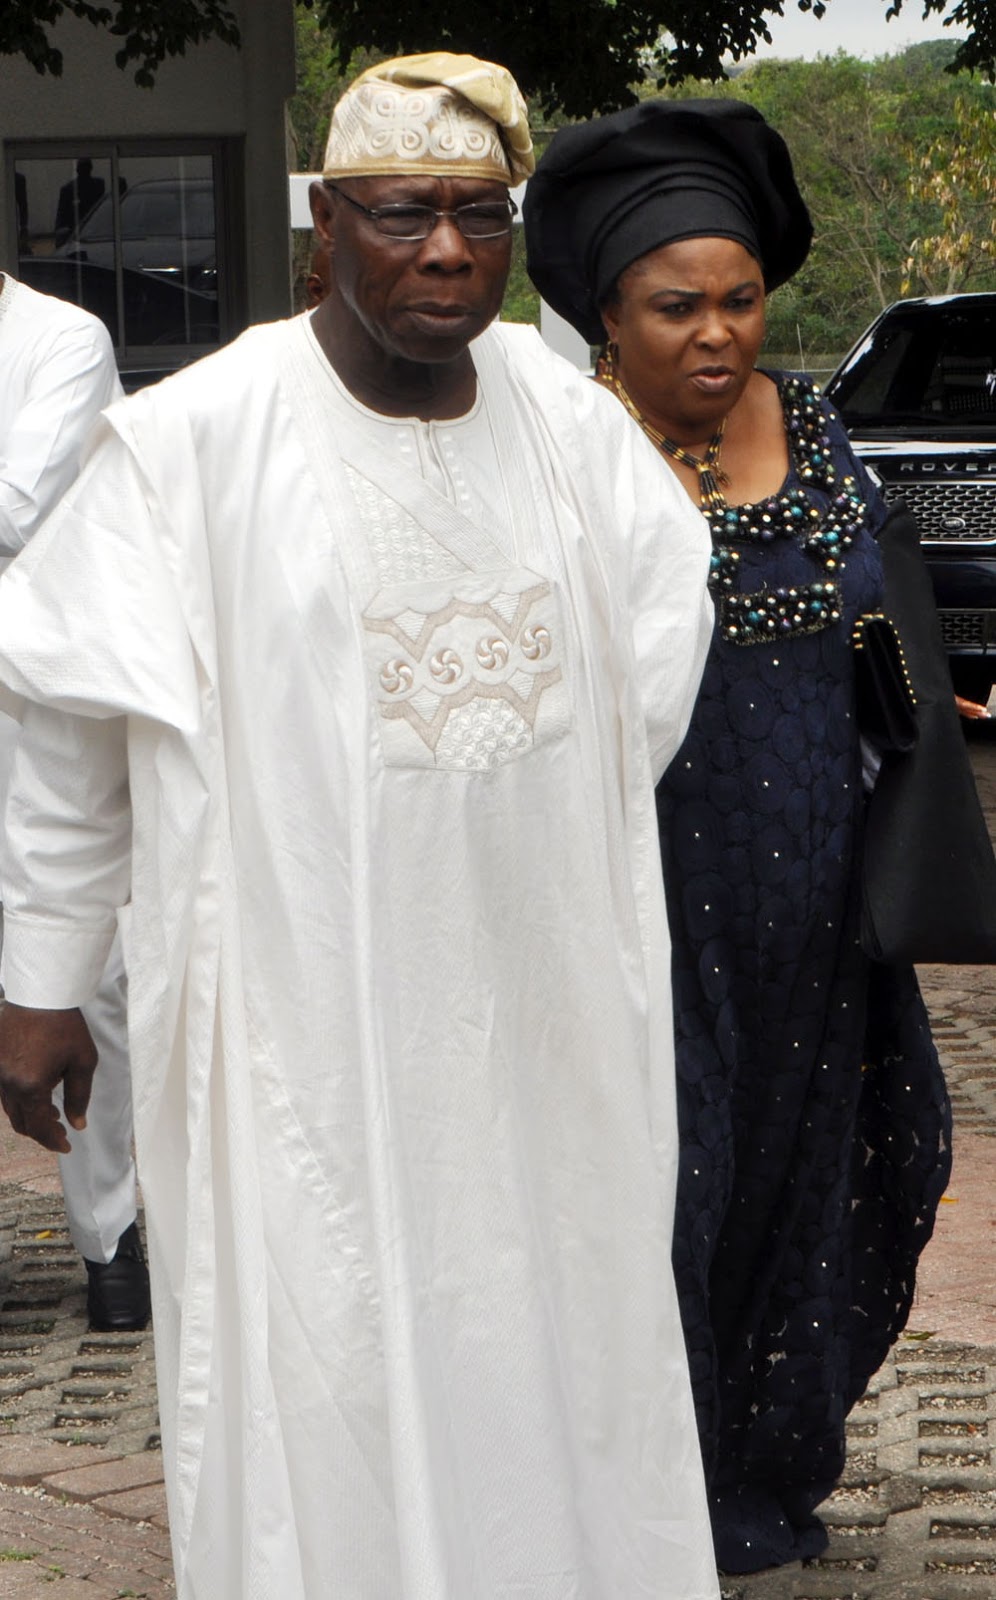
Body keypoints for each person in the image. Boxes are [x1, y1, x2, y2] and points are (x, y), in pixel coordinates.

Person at [0, 56, 721, 1599]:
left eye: (480, 216)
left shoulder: (569, 422)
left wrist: (528, 821)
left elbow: (657, 647)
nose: (447, 251)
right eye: (404, 215)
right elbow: (70, 724)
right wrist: (43, 977)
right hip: (299, 1017)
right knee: (322, 1343)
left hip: (544, 1017)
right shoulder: (193, 444)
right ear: (327, 223)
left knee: (562, 1326)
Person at [524, 98, 952, 1576]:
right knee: (671, 1189)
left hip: (823, 897)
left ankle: (758, 1474)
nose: (717, 333)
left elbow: (874, 606)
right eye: (675, 306)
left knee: (814, 1174)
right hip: (647, 896)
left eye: (741, 298)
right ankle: (644, 1492)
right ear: (604, 312)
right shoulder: (562, 456)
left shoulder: (817, 426)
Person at [0, 270, 150, 1333]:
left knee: (82, 974)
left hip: (33, 701)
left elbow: (20, 511)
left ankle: (112, 1235)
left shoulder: (62, 339)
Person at [54, 158, 106, 245]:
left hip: (95, 233)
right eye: (83, 168)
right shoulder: (69, 190)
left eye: (86, 168)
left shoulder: (98, 186)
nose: (84, 172)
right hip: (75, 234)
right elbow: (61, 215)